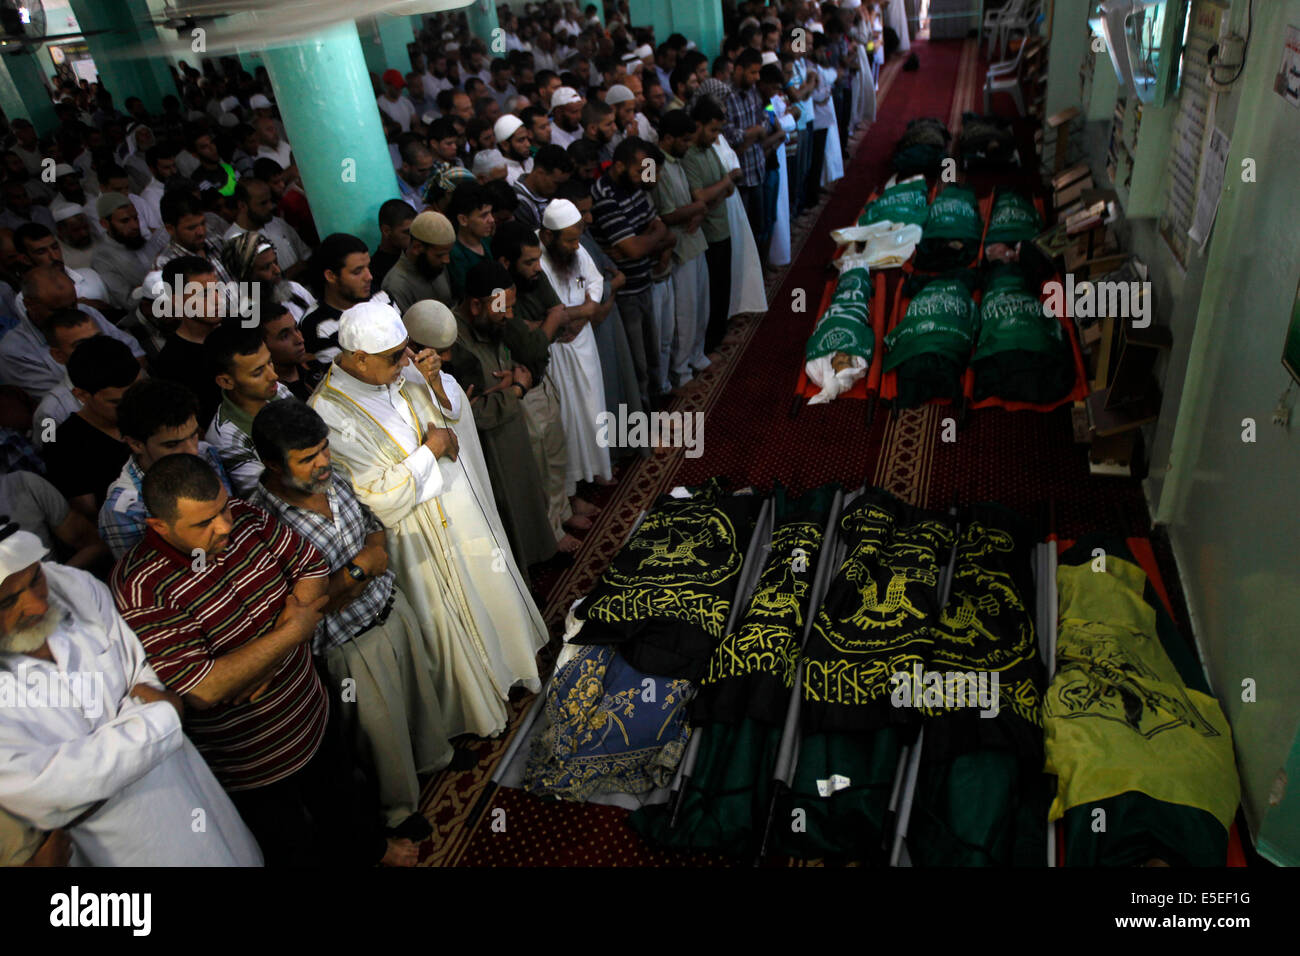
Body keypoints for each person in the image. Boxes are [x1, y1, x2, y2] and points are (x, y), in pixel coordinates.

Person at [111, 454, 416, 867]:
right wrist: (294, 630)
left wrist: (262, 661)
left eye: (221, 509)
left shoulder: (246, 516)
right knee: (290, 842)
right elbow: (203, 689)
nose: (224, 526)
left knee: (344, 799)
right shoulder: (143, 589)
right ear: (159, 527)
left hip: (310, 710)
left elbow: (311, 568)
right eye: (204, 523)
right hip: (249, 759)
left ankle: (372, 850)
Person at [308, 300, 548, 738]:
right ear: (357, 358)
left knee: (489, 595)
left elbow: (454, 412)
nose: (407, 362)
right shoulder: (328, 415)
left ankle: (514, 669)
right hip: (417, 539)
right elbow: (375, 497)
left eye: (406, 351)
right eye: (394, 357)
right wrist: (431, 450)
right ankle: (477, 711)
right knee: (451, 623)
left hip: (461, 512)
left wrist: (437, 384)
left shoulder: (399, 369)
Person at [0, 522, 263, 866]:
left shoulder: (73, 586)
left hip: (186, 792)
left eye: (35, 579)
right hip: (122, 846)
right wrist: (160, 719)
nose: (36, 605)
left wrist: (85, 770)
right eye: (7, 601)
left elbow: (145, 677)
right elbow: (43, 795)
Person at [248, 399, 453, 839]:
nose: (322, 463)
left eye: (323, 449)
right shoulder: (262, 524)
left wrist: (371, 559)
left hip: (387, 605)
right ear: (270, 462)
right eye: (306, 458)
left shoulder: (331, 477)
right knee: (380, 737)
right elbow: (302, 607)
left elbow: (370, 522)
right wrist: (358, 569)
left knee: (419, 701)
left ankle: (435, 764)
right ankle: (397, 813)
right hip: (347, 644)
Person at [446, 262, 559, 570]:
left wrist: (509, 382)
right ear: (475, 304)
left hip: (511, 434)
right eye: (503, 309)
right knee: (506, 520)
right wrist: (516, 391)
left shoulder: (491, 323)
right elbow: (472, 414)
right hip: (489, 451)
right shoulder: (454, 344)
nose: (510, 316)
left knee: (528, 504)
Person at [99, 378, 233, 560]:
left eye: (193, 436)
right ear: (136, 444)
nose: (192, 451)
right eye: (172, 445)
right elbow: (145, 572)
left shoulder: (206, 452)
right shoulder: (124, 511)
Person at [588, 136, 676, 406]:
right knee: (636, 361)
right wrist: (649, 241)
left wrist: (645, 242)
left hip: (645, 282)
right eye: (638, 170)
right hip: (625, 294)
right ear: (618, 166)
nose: (643, 177)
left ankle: (657, 401)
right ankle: (642, 420)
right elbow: (635, 248)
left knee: (653, 351)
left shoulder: (636, 188)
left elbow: (662, 231)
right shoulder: (604, 197)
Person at [537, 198, 618, 491]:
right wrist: (577, 314)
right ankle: (575, 486)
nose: (575, 246)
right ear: (548, 236)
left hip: (581, 342)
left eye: (577, 239)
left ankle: (597, 468)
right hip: (556, 351)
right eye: (569, 240)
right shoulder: (538, 259)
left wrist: (585, 314)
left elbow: (593, 282)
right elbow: (545, 313)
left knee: (591, 407)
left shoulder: (575, 247)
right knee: (568, 417)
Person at [40, 335, 141, 519]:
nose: (130, 405)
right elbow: (91, 514)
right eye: (115, 402)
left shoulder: (149, 409)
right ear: (82, 395)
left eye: (135, 393)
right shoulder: (64, 446)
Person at [653, 109, 713, 389]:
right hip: (677, 247)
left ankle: (696, 356)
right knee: (684, 314)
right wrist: (698, 207)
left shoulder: (677, 160)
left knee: (701, 304)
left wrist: (697, 211)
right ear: (667, 138)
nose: (689, 145)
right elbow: (665, 214)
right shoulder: (655, 166)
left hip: (694, 239)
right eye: (685, 141)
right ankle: (680, 370)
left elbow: (691, 200)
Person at [204, 320, 294, 495]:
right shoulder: (226, 437)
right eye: (258, 372)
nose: (273, 375)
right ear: (226, 381)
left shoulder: (279, 392)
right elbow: (268, 493)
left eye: (270, 362)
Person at [681, 98, 738, 354]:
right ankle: (709, 343)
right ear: (698, 125)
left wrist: (721, 186)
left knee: (723, 284)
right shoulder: (690, 155)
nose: (717, 136)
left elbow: (726, 189)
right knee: (710, 292)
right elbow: (700, 197)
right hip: (706, 234)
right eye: (713, 130)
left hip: (722, 227)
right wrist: (724, 182)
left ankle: (720, 333)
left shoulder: (710, 149)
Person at [151, 255, 227, 427]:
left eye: (217, 290)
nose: (217, 300)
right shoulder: (170, 363)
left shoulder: (236, 330)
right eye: (204, 294)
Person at [301, 233, 373, 364]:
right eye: (357, 272)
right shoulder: (316, 326)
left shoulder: (380, 296)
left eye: (368, 267)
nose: (369, 277)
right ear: (331, 276)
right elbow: (349, 373)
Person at [222, 178, 311, 277]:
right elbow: (249, 287)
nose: (270, 206)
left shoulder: (277, 223)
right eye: (263, 203)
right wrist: (289, 275)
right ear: (242, 206)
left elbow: (305, 255)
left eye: (270, 201)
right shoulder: (233, 241)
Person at [380, 209, 456, 313]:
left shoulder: (435, 265)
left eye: (448, 253)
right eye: (440, 255)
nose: (446, 260)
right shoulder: (396, 286)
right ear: (417, 247)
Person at [152, 191, 233, 283]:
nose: (201, 232)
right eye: (191, 228)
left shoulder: (215, 240)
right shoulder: (164, 264)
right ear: (170, 229)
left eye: (203, 223)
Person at [90, 192, 152, 313]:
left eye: (135, 218)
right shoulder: (102, 258)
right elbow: (128, 301)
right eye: (125, 221)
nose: (134, 225)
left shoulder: (138, 238)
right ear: (105, 224)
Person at [260, 302, 326, 401]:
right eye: (285, 336)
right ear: (262, 346)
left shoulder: (318, 365)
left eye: (296, 329)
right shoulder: (272, 395)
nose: (300, 339)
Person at [446, 183, 496, 302]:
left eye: (490, 213)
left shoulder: (488, 242)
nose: (492, 219)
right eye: (484, 215)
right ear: (463, 220)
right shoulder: (454, 256)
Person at [370, 199, 415, 288]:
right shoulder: (375, 272)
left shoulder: (415, 257)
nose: (414, 237)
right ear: (386, 231)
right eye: (407, 232)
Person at [494, 114, 534, 185]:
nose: (528, 144)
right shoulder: (503, 174)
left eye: (527, 138)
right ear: (505, 145)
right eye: (521, 140)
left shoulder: (531, 161)